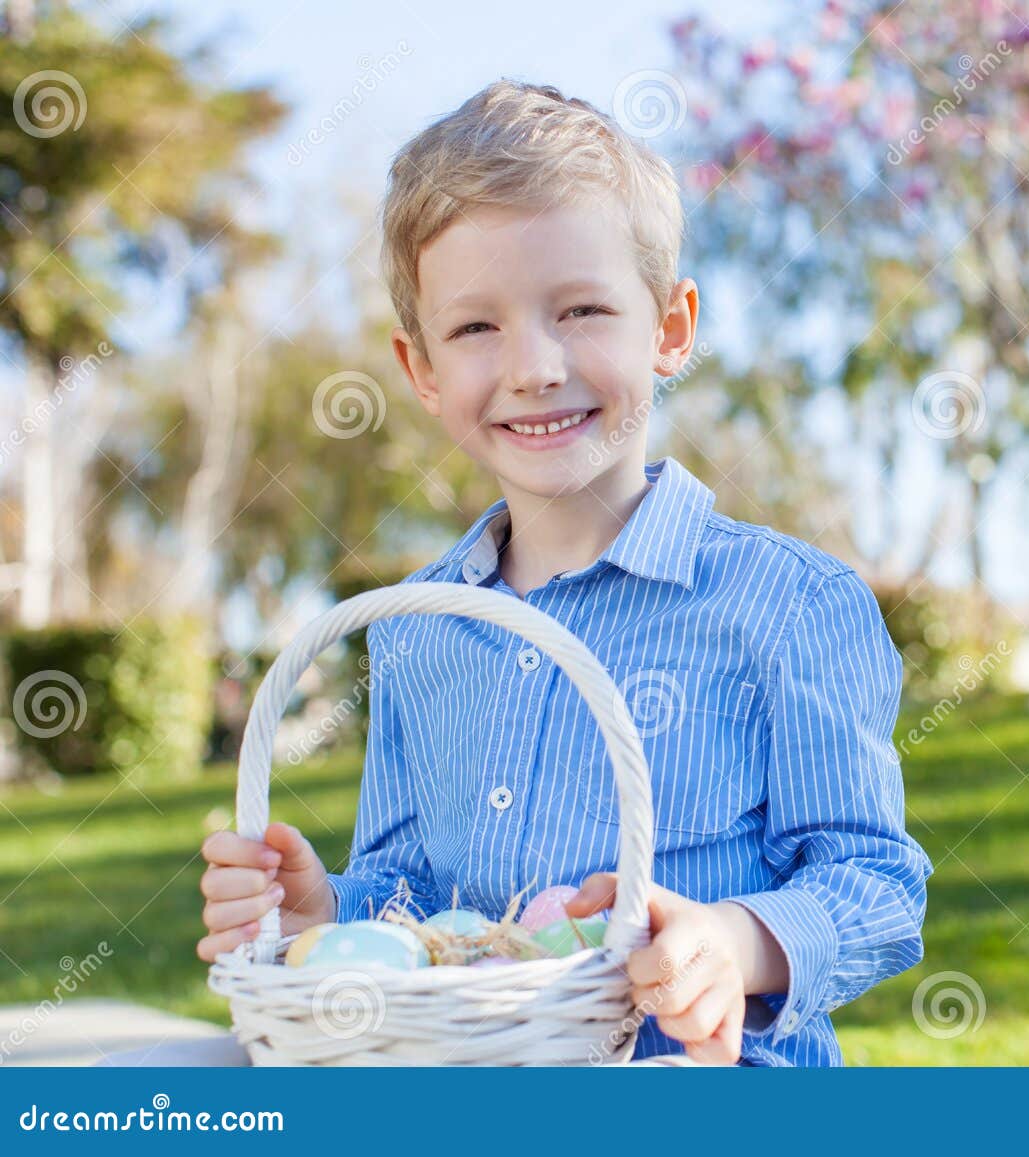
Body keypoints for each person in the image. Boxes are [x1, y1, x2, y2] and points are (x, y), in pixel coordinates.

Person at [107, 80, 931, 1068]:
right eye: (475, 328)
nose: (534, 365)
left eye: (580, 309)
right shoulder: (419, 627)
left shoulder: (790, 602)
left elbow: (873, 884)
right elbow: (415, 902)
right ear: (420, 368)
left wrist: (736, 940)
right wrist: (329, 911)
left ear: (670, 327)